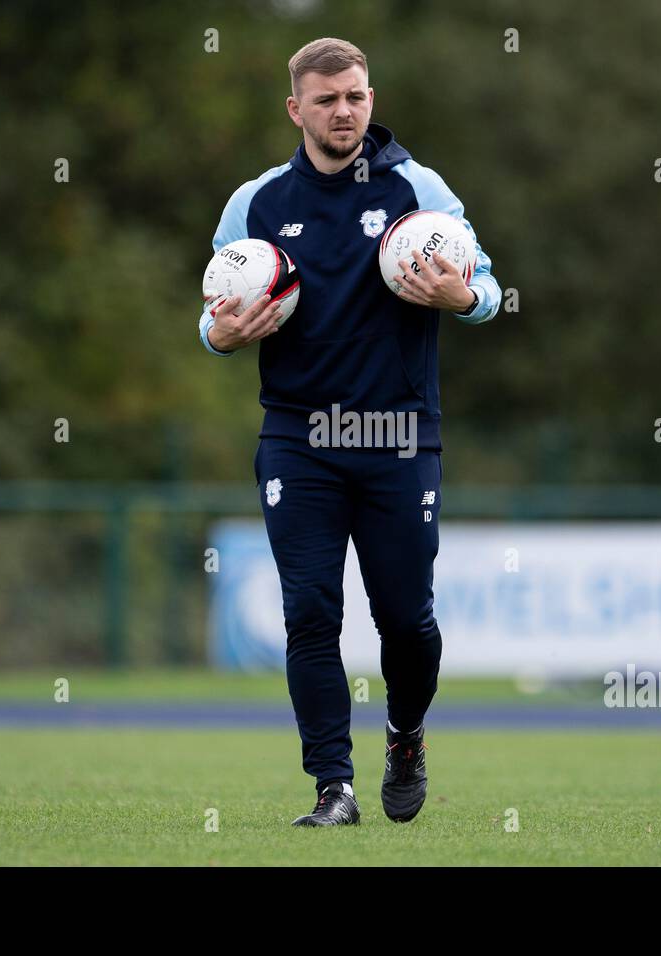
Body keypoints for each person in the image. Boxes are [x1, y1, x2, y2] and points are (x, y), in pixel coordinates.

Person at [198, 37, 501, 826]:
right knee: (309, 612)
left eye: (357, 96)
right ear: (296, 108)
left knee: (407, 619)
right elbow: (215, 310)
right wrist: (219, 338)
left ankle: (405, 735)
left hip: (400, 435)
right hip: (298, 438)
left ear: (372, 98)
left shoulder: (417, 188)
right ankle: (333, 787)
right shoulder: (256, 204)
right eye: (328, 99)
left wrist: (463, 300)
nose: (345, 111)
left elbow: (490, 284)